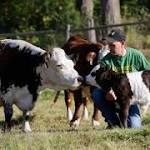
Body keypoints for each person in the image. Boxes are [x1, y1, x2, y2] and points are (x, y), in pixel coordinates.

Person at [92, 29, 150, 128]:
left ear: (123, 43)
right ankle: (113, 122)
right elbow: (99, 82)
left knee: (134, 127)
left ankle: (128, 119)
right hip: (113, 98)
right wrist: (107, 92)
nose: (109, 47)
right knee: (96, 94)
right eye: (109, 44)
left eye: (113, 45)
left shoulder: (136, 56)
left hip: (131, 99)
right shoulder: (105, 61)